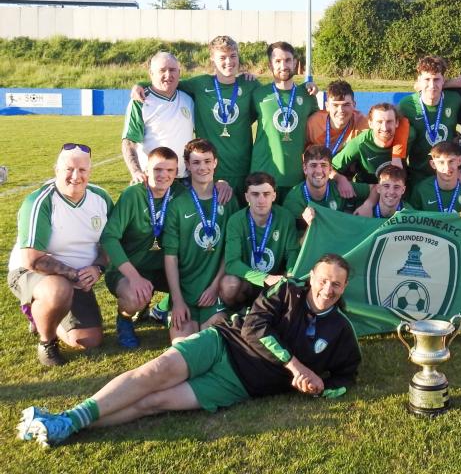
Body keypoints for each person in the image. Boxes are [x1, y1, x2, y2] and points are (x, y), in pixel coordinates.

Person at [16, 254, 361, 448]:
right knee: (153, 373)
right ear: (311, 276)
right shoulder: (286, 291)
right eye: (323, 279)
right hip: (224, 342)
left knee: (153, 403)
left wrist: (321, 388)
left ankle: (66, 426)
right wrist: (296, 366)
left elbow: (347, 375)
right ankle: (70, 417)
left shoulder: (342, 330)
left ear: (345, 286)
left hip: (239, 384)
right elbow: (255, 329)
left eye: (336, 283)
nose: (327, 289)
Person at [7, 144, 113, 366]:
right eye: (69, 169)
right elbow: (32, 259)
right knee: (58, 290)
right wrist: (74, 275)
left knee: (89, 340)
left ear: (90, 171)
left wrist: (98, 268)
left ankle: (43, 315)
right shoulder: (39, 202)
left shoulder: (101, 198)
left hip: (78, 278)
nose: (76, 176)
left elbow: (110, 242)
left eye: (82, 170)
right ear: (56, 169)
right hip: (33, 272)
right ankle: (47, 341)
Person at [131, 36, 261, 197]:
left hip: (243, 168)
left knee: (240, 211)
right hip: (206, 169)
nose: (229, 61)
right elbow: (168, 82)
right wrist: (140, 84)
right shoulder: (200, 84)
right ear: (212, 59)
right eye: (222, 57)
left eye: (233, 56)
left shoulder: (250, 85)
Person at [100, 147, 183, 349]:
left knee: (196, 282)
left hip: (163, 268)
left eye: (169, 170)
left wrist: (222, 184)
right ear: (146, 170)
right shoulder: (133, 194)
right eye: (157, 169)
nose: (163, 175)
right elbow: (109, 238)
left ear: (177, 173)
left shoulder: (180, 192)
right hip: (130, 268)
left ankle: (162, 308)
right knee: (133, 298)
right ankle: (124, 319)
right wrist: (134, 277)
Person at [162, 139, 239, 344]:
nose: (202, 167)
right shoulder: (177, 205)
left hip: (213, 292)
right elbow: (170, 257)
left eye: (207, 161)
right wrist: (177, 301)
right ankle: (168, 309)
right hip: (185, 292)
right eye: (196, 162)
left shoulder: (228, 200)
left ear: (215, 163)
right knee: (183, 347)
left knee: (211, 343)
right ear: (187, 165)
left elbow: (231, 251)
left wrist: (215, 287)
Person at [220, 172, 299, 311]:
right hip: (247, 283)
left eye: (266, 194)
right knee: (229, 285)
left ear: (274, 196)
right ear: (247, 197)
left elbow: (292, 254)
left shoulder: (285, 218)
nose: (261, 200)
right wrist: (264, 278)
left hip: (274, 282)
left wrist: (288, 277)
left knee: (293, 285)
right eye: (255, 194)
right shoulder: (236, 221)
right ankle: (237, 314)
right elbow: (231, 264)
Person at [251, 41, 320, 200]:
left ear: (295, 62)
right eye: (278, 61)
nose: (283, 65)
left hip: (296, 177)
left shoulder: (307, 95)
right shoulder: (258, 94)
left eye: (288, 60)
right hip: (263, 176)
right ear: (270, 65)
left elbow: (319, 129)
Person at [122, 52, 193, 182]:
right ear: (151, 73)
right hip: (154, 179)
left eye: (172, 70)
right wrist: (136, 172)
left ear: (179, 72)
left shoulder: (188, 99)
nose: (168, 75)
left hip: (183, 179)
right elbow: (129, 142)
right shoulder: (140, 100)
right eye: (162, 70)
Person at [397, 55, 461, 185]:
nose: (432, 85)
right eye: (427, 79)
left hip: (448, 171)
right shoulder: (406, 105)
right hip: (417, 174)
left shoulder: (455, 99)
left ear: (443, 80)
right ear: (419, 81)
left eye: (436, 79)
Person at [283, 145, 371, 228]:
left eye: (323, 165)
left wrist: (368, 205)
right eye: (313, 165)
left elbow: (375, 188)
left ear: (330, 169)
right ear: (305, 169)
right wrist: (307, 224)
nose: (318, 171)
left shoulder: (338, 186)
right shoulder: (294, 200)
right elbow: (294, 237)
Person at [331, 103, 411, 185]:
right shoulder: (360, 143)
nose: (384, 128)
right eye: (379, 122)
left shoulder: (407, 138)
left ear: (397, 123)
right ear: (370, 123)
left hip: (397, 191)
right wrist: (341, 180)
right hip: (367, 189)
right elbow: (330, 168)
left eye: (389, 121)